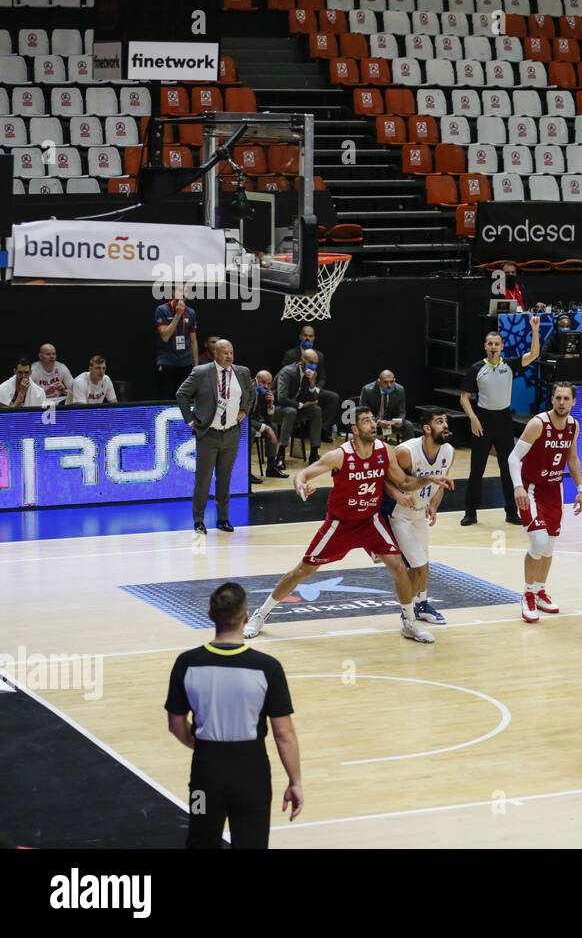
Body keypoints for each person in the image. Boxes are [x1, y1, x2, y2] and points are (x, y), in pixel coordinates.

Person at [244, 407, 453, 643]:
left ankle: (409, 623)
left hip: (370, 522)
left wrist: (428, 478)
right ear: (354, 429)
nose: (373, 424)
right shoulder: (339, 455)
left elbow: (404, 480)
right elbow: (303, 474)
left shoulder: (385, 450)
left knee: (397, 566)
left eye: (373, 420)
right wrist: (301, 485)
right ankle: (261, 615)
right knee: (303, 571)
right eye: (366, 421)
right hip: (340, 524)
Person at [165, 582, 303, 849]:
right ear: (245, 617)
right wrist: (295, 781)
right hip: (252, 775)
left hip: (204, 773)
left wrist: (202, 747)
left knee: (200, 840)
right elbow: (283, 733)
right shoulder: (267, 668)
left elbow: (175, 725)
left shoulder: (187, 663)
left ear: (210, 615)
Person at [509, 381, 582, 622]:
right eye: (558, 398)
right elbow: (513, 458)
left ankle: (541, 590)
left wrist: (581, 488)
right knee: (539, 542)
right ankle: (527, 594)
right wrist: (518, 487)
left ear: (573, 402)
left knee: (549, 546)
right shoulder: (537, 424)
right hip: (530, 489)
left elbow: (572, 458)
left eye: (566, 399)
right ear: (552, 399)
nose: (562, 402)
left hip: (555, 490)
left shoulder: (574, 426)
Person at [458, 317, 541, 526]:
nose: (493, 346)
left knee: (508, 467)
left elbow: (534, 354)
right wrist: (473, 418)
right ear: (485, 347)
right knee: (477, 468)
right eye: (490, 343)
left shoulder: (510, 364)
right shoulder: (477, 368)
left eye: (497, 343)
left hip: (503, 419)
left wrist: (535, 329)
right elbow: (464, 397)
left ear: (502, 346)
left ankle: (511, 511)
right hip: (482, 419)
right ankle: (471, 511)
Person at [382, 409, 456, 625]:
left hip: (420, 514)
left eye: (446, 422)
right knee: (418, 565)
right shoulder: (406, 452)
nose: (445, 426)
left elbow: (441, 482)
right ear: (426, 428)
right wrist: (396, 494)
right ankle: (407, 611)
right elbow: (384, 479)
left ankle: (421, 605)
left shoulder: (449, 451)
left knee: (423, 563)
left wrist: (433, 505)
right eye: (440, 422)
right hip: (399, 514)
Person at [176, 339, 256, 535]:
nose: (229, 355)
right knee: (203, 479)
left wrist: (244, 410)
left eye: (231, 351)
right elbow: (181, 395)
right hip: (208, 435)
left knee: (225, 478)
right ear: (215, 354)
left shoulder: (242, 372)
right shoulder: (201, 372)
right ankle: (199, 520)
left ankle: (222, 518)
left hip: (231, 433)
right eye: (225, 352)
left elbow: (251, 393)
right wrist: (191, 421)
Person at [280, 325, 341, 440]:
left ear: (314, 338)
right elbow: (284, 378)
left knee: (333, 397)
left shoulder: (319, 355)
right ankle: (297, 429)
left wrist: (315, 389)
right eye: (305, 335)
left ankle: (321, 430)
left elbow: (322, 378)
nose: (308, 338)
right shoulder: (290, 354)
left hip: (312, 388)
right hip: (295, 390)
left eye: (310, 336)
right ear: (300, 337)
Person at [273, 348, 326, 466]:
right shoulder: (287, 372)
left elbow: (313, 400)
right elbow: (282, 398)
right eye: (311, 363)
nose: (313, 366)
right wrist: (301, 405)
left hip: (296, 410)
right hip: (276, 409)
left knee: (316, 410)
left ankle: (314, 453)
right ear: (303, 360)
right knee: (291, 411)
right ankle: (280, 455)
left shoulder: (313, 374)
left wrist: (312, 383)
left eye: (316, 364)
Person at [154, 287, 199, 398]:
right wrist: (178, 315)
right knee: (166, 398)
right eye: (180, 290)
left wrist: (197, 367)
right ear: (173, 292)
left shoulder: (191, 312)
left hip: (186, 362)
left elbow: (193, 341)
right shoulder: (162, 310)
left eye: (186, 291)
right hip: (167, 361)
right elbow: (165, 336)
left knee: (186, 398)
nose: (184, 293)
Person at [249, 369, 287, 480]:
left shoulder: (265, 392)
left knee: (273, 425)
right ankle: (245, 471)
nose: (266, 386)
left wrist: (270, 405)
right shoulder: (249, 390)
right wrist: (265, 428)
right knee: (250, 431)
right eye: (263, 382)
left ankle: (271, 467)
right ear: (255, 380)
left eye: (269, 384)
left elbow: (268, 418)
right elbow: (245, 418)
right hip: (243, 424)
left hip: (255, 422)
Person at [360, 370, 415, 443]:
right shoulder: (367, 390)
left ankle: (406, 450)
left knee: (408, 425)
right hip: (373, 422)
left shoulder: (400, 390)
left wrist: (400, 420)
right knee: (362, 424)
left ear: (394, 380)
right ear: (379, 381)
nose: (389, 385)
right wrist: (377, 422)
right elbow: (364, 412)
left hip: (390, 423)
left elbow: (401, 411)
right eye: (385, 382)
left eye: (392, 382)